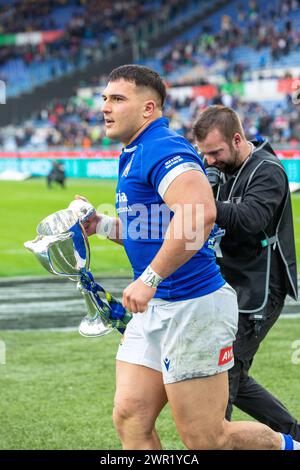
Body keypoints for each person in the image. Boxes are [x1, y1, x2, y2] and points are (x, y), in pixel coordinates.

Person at [71, 65, 299, 450]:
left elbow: (199, 213)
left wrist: (150, 278)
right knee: (131, 417)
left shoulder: (162, 146)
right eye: (105, 98)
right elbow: (151, 230)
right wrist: (102, 225)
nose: (105, 108)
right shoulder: (133, 152)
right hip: (156, 310)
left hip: (192, 306)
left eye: (117, 99)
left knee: (207, 439)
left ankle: (289, 444)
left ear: (148, 108)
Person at [193, 105, 300, 441]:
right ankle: (293, 436)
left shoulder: (268, 171)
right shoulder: (219, 168)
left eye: (215, 153)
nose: (209, 161)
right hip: (229, 285)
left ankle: (215, 442)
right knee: (233, 374)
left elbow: (251, 219)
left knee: (223, 377)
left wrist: (200, 204)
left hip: (260, 290)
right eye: (204, 155)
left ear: (237, 139)